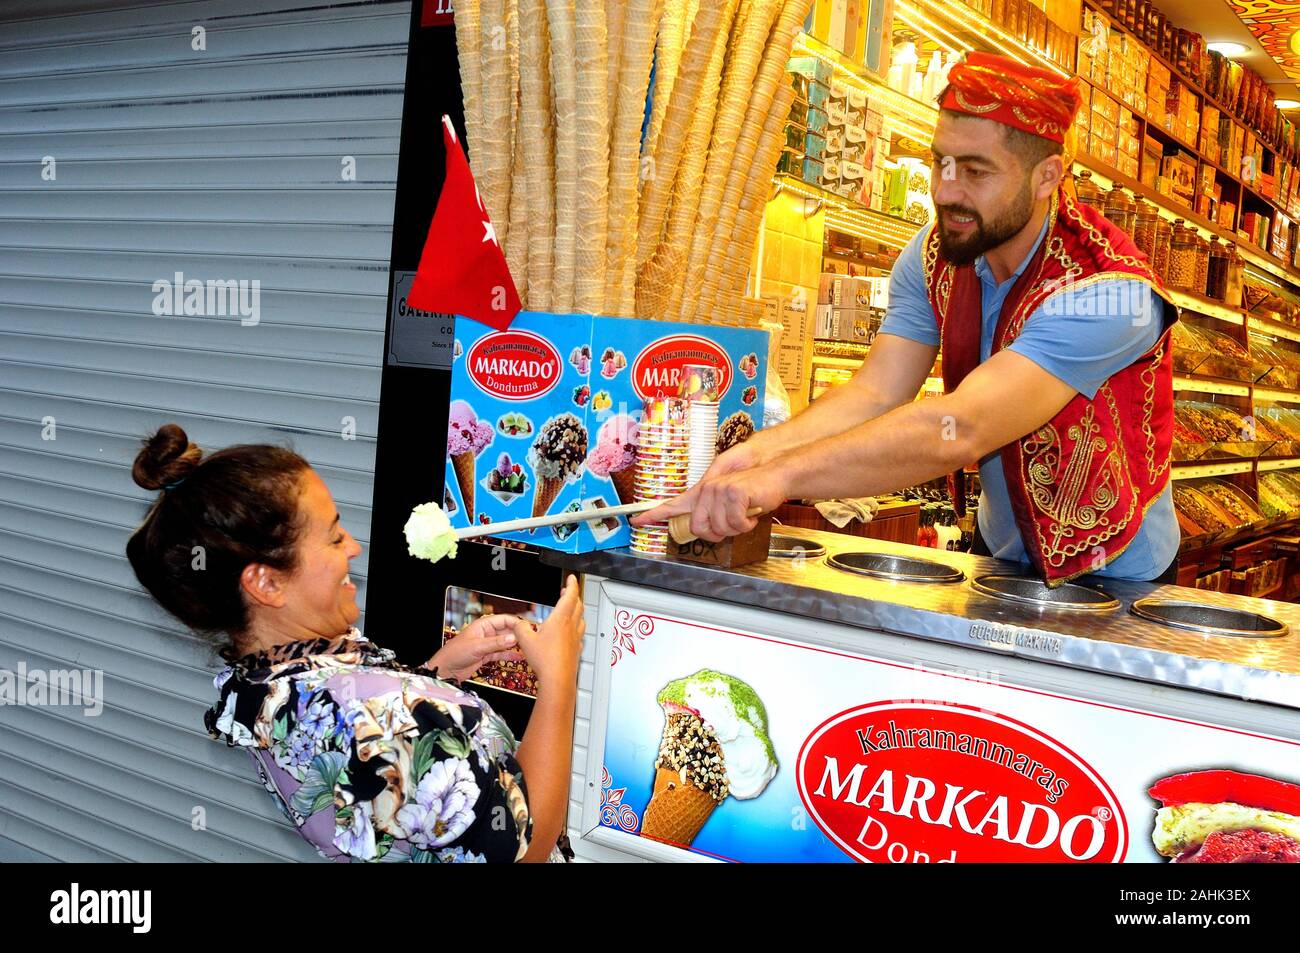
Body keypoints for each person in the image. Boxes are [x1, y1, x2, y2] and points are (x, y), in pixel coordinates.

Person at [639, 52, 1179, 586]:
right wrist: (756, 455)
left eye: (975, 171)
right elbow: (876, 392)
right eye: (939, 162)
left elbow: (961, 428)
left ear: (1047, 178)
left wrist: (779, 478)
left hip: (1117, 568)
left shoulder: (1112, 293)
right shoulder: (935, 253)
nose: (945, 191)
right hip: (1002, 549)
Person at [126, 423, 584, 863]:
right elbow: (526, 848)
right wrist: (559, 681)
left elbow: (385, 769)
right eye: (332, 536)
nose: (352, 548)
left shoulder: (270, 681)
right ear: (266, 584)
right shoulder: (365, 718)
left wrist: (437, 677)